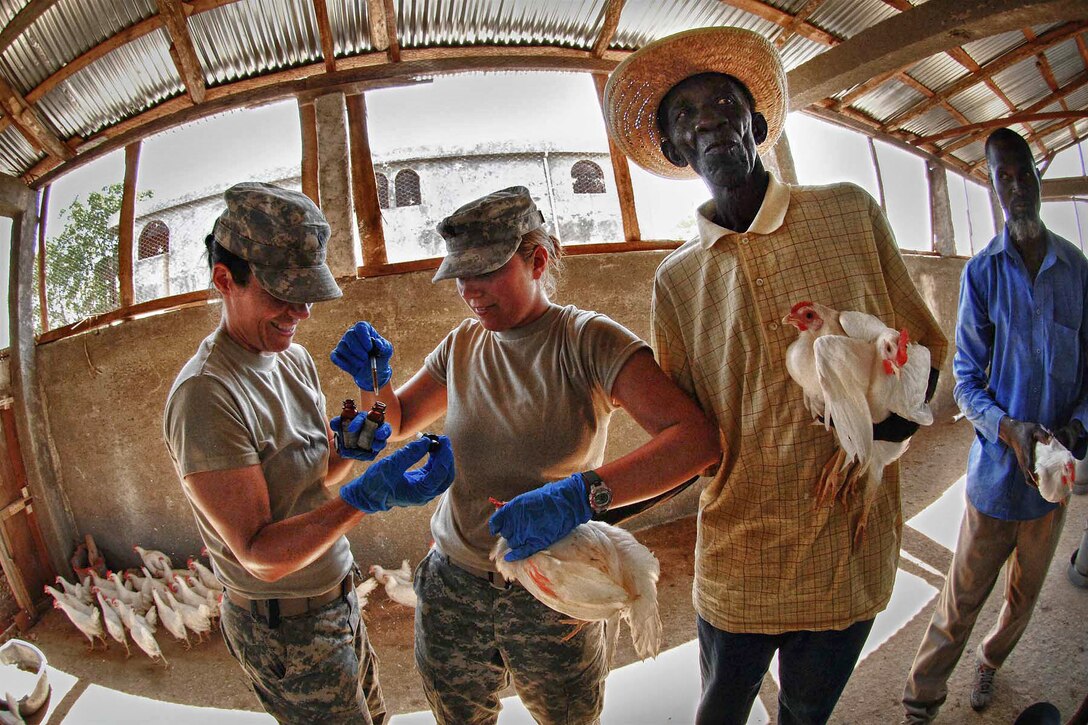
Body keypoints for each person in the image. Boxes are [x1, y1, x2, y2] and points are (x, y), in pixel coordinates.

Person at [597, 27, 948, 724]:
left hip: (850, 535)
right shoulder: (678, 280)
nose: (710, 120)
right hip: (741, 547)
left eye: (725, 103)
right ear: (673, 149)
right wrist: (589, 504)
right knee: (719, 711)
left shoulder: (848, 211)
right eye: (685, 115)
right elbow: (687, 434)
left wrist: (882, 440)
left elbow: (924, 351)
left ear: (756, 124)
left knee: (807, 710)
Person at [329, 185, 720, 725]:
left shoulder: (587, 341)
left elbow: (694, 440)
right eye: (461, 276)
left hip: (552, 586)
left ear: (538, 259)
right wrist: (374, 382)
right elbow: (395, 422)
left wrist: (582, 495)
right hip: (454, 582)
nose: (470, 290)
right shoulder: (463, 344)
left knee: (567, 717)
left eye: (486, 272)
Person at [163, 182, 455, 725]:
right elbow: (260, 554)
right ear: (225, 280)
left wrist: (353, 443)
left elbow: (321, 474)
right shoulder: (207, 395)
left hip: (336, 595)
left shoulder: (289, 359)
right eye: (281, 292)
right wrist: (367, 498)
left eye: (307, 292)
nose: (300, 311)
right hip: (284, 629)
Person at [901, 128, 1088, 723]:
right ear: (993, 186)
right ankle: (920, 700)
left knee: (1024, 597)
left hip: (1052, 486)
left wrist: (1080, 427)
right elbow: (965, 375)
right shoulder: (982, 275)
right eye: (1002, 177)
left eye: (1023, 172)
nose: (1017, 186)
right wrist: (1008, 430)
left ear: (1036, 175)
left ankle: (991, 662)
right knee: (959, 601)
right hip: (995, 479)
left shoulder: (1077, 270)